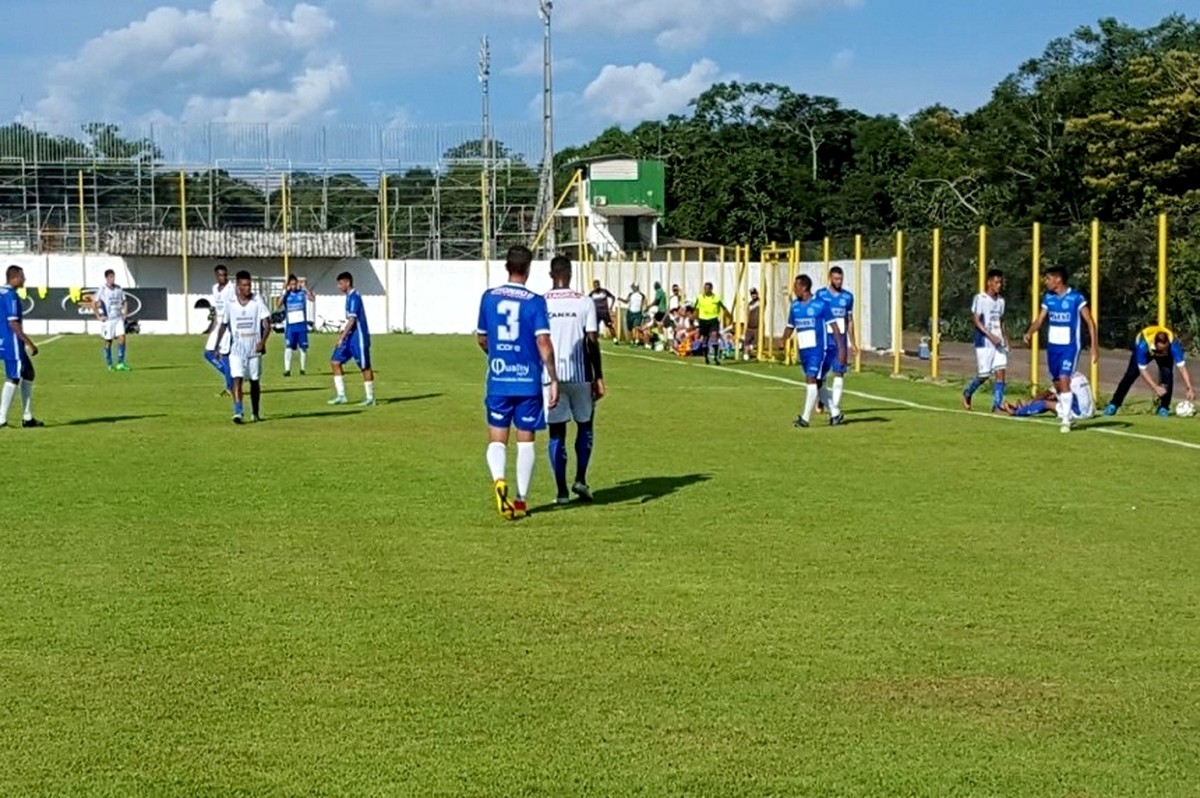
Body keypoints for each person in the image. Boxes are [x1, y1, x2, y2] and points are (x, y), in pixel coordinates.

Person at [477, 245, 559, 520]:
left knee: (497, 439)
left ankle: (499, 480)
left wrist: (498, 355)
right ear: (529, 268)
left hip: (499, 378)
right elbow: (543, 342)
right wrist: (553, 377)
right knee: (526, 441)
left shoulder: (488, 297)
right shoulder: (535, 301)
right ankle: (521, 500)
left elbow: (482, 338)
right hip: (528, 382)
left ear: (506, 266)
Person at [544, 255, 605, 505]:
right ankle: (580, 478)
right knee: (585, 425)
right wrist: (598, 376)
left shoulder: (541, 301)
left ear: (551, 275)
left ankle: (561, 492)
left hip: (551, 377)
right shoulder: (584, 301)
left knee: (556, 432)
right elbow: (591, 340)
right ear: (570, 274)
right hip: (581, 376)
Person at [1022, 266, 1099, 433]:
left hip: (1070, 347)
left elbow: (1090, 322)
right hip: (1053, 347)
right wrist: (1029, 332)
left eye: (1048, 278)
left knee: (1065, 379)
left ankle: (1066, 420)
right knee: (1057, 383)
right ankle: (1067, 412)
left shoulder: (1076, 298)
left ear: (1058, 279)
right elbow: (1040, 320)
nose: (1046, 282)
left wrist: (1094, 346)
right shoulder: (1048, 298)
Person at [780, 274, 845, 428]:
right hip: (804, 350)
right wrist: (783, 341)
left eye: (796, 286)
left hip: (819, 350)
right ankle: (836, 414)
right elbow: (790, 326)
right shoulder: (795, 306)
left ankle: (805, 419)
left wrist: (841, 348)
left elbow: (834, 327)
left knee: (810, 379)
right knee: (818, 382)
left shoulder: (821, 305)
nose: (794, 289)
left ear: (804, 287)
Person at [215, 270, 271, 424]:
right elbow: (223, 325)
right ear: (238, 286)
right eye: (244, 285)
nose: (248, 288)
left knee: (254, 381)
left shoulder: (257, 300)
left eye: (249, 285)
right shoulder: (231, 303)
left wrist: (263, 342)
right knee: (236, 380)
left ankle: (255, 412)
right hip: (236, 350)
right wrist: (218, 346)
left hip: (254, 349)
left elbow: (267, 325)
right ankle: (238, 411)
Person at [1104, 325, 1196, 417]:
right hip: (1145, 350)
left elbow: (1182, 368)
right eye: (1161, 350)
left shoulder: (1173, 345)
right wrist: (1155, 387)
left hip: (1161, 349)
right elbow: (1143, 371)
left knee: (1167, 374)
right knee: (1130, 375)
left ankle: (1164, 407)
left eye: (1166, 349)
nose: (1163, 353)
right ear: (1155, 345)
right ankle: (1114, 404)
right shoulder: (1142, 345)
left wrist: (1189, 388)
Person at [0, 265, 42, 428]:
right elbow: (13, 323)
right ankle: (2, 418)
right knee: (14, 377)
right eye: (22, 276)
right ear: (15, 277)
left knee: (28, 373)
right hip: (12, 342)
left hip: (5, 340)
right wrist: (29, 343)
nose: (24, 279)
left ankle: (27, 417)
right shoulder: (10, 295)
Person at [962, 268, 1007, 412]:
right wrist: (990, 335)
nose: (999, 285)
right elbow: (976, 320)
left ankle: (997, 405)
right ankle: (967, 393)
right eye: (996, 282)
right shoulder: (980, 298)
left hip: (998, 341)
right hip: (984, 342)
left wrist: (1005, 337)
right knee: (984, 375)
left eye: (1000, 282)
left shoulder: (1001, 301)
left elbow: (1001, 320)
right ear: (989, 283)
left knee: (1001, 371)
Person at [328, 272, 375, 406]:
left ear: (347, 283)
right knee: (335, 361)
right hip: (349, 336)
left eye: (340, 283)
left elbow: (353, 320)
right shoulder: (348, 297)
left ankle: (370, 398)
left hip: (358, 337)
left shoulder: (355, 297)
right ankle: (341, 395)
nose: (339, 287)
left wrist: (341, 337)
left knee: (364, 367)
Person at [815, 267, 857, 417]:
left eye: (841, 279)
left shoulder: (848, 297)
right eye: (836, 279)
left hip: (840, 340)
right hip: (825, 339)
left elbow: (850, 321)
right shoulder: (820, 295)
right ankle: (822, 399)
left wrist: (853, 343)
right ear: (830, 278)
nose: (838, 282)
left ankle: (835, 409)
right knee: (819, 375)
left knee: (839, 372)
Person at [1003, 372, 1095, 421]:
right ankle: (1026, 408)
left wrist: (1031, 401)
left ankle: (1018, 412)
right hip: (1090, 412)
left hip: (1078, 414)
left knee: (1045, 403)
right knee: (1052, 400)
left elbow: (1046, 393)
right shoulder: (1079, 375)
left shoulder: (1064, 378)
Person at [203, 264, 236, 396]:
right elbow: (217, 309)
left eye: (225, 275)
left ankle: (229, 387)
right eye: (220, 275)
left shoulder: (231, 288)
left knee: (225, 356)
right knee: (208, 353)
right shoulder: (215, 289)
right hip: (218, 324)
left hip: (227, 325)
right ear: (216, 276)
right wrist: (211, 327)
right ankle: (233, 377)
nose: (223, 277)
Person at [278, 274, 315, 377]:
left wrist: (306, 288)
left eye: (295, 284)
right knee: (288, 347)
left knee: (303, 347)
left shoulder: (302, 293)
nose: (293, 286)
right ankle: (287, 369)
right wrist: (283, 291)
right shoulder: (287, 294)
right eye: (291, 284)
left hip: (301, 325)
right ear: (289, 285)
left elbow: (312, 298)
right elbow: (278, 304)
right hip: (290, 326)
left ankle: (302, 369)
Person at [94, 269, 131, 371]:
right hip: (109, 320)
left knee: (122, 338)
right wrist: (98, 316)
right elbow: (94, 302)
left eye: (113, 277)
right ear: (106, 278)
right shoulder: (102, 289)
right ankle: (110, 364)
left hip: (118, 318)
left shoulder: (118, 288)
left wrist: (125, 313)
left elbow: (124, 301)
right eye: (110, 277)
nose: (112, 279)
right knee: (108, 342)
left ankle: (121, 363)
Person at [694, 282, 730, 365]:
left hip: (713, 319)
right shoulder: (699, 297)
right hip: (703, 320)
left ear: (711, 289)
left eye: (707, 288)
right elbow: (696, 309)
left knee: (714, 335)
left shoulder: (716, 298)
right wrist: (696, 319)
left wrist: (728, 316)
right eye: (705, 288)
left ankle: (715, 357)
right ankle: (706, 357)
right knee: (704, 339)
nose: (706, 290)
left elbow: (723, 307)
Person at [742, 287, 760, 361]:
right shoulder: (750, 304)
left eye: (755, 294)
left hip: (757, 327)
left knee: (754, 343)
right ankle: (746, 354)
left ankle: (750, 352)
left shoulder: (760, 302)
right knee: (747, 341)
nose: (754, 295)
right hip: (750, 326)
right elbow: (747, 314)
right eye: (752, 294)